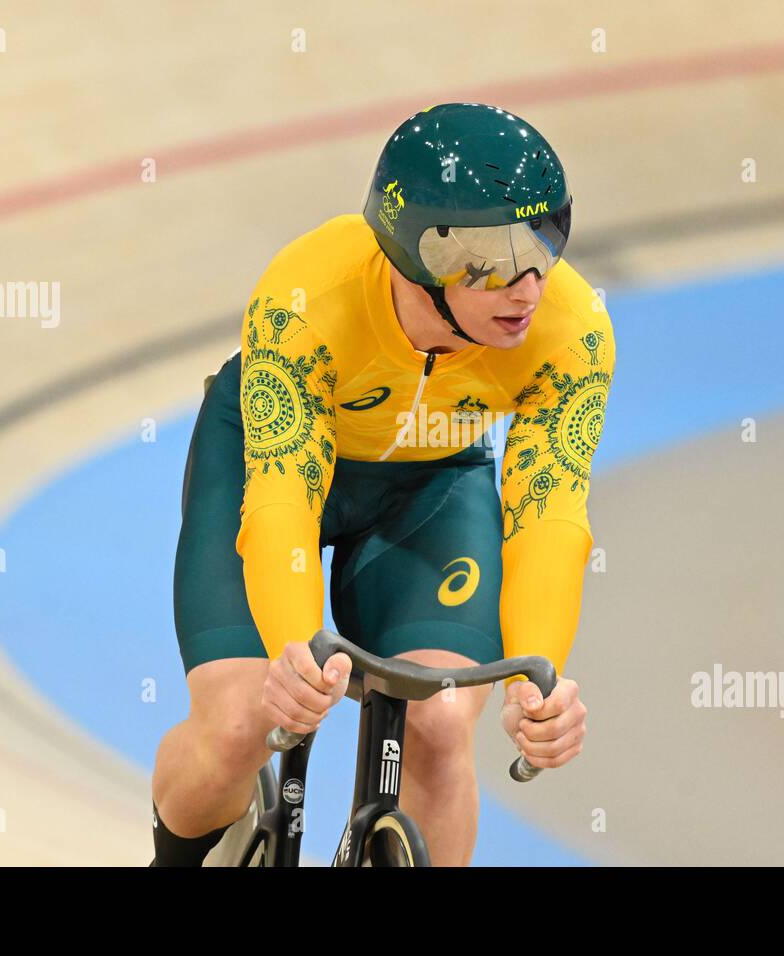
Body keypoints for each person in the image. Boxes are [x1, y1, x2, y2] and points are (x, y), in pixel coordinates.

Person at [150, 102, 613, 866]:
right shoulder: (306, 296)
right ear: (415, 255)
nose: (527, 284)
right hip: (275, 466)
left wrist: (540, 677)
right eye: (490, 259)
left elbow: (549, 512)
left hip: (431, 487)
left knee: (438, 727)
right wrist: (296, 650)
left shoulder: (573, 330)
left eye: (543, 239)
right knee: (241, 723)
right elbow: (280, 501)